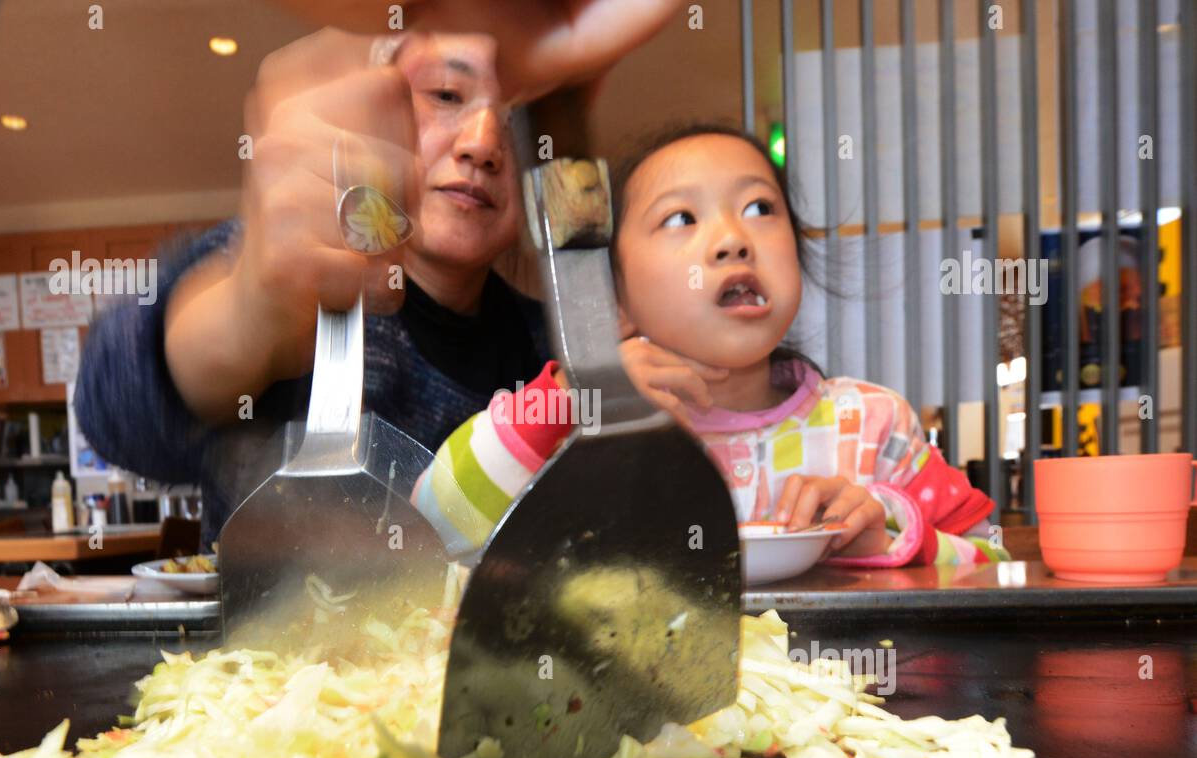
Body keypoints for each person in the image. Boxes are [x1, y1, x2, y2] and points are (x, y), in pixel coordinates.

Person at [76, 2, 683, 545]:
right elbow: (115, 413)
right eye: (446, 94)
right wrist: (246, 316)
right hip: (274, 669)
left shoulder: (552, 347)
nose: (482, 142)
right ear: (375, 104)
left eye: (520, 117)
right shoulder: (290, 273)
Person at [414, 123, 1010, 567]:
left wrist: (894, 530)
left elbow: (995, 561)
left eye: (759, 208)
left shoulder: (874, 425)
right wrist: (569, 396)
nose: (732, 239)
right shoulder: (586, 428)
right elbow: (437, 527)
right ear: (612, 300)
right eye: (681, 219)